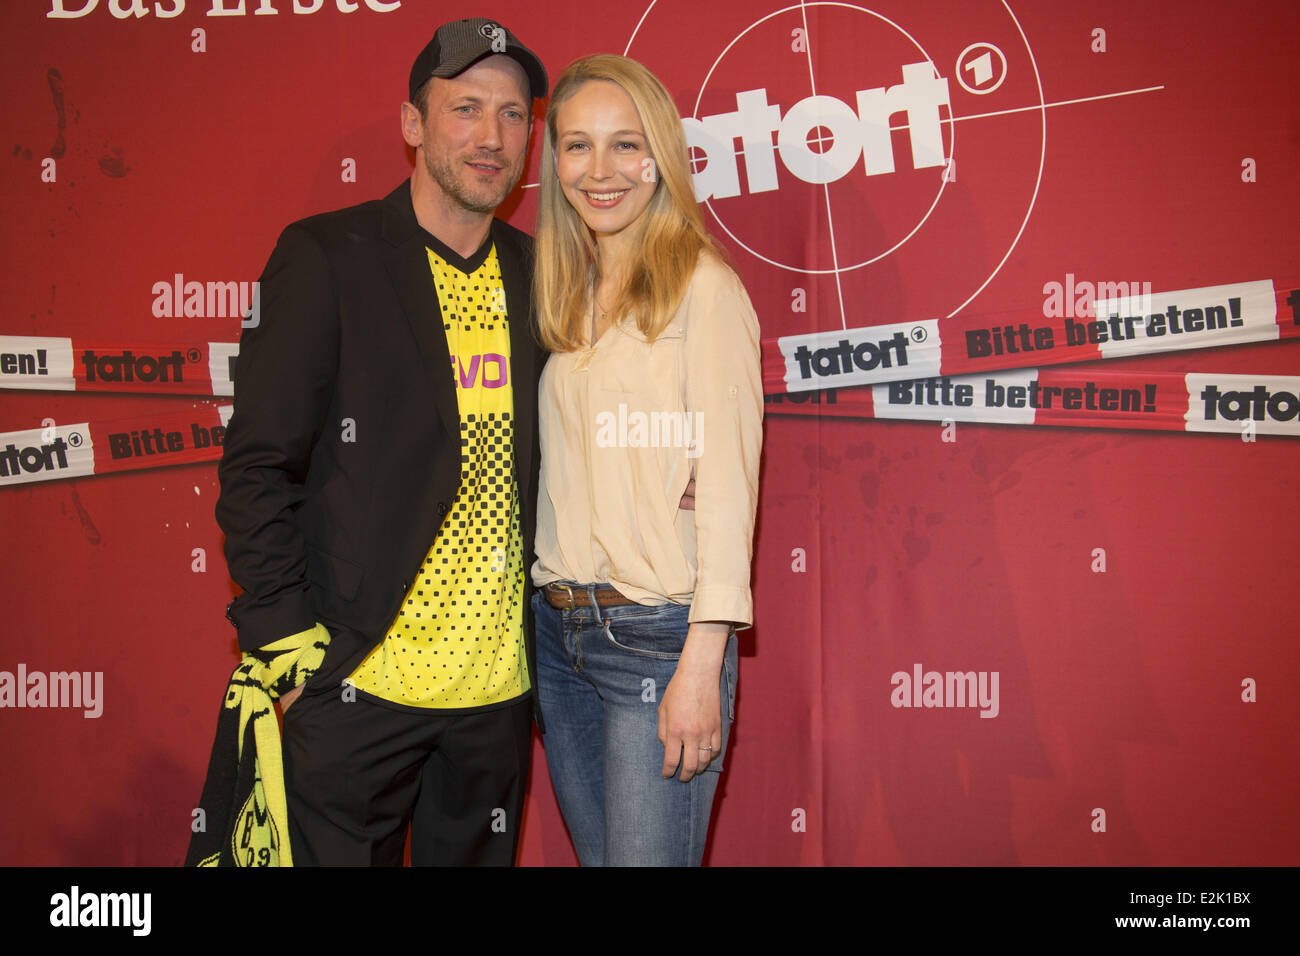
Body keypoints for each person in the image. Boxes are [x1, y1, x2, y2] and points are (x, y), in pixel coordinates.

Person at [209, 17, 550, 866]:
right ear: (412, 124)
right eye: (465, 107)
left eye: (513, 116)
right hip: (358, 688)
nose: (491, 137)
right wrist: (292, 647)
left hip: (495, 702)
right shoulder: (328, 257)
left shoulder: (542, 274)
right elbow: (258, 464)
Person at [530, 54, 764, 866]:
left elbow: (731, 489)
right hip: (556, 640)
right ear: (553, 160)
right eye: (577, 146)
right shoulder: (563, 291)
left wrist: (705, 659)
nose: (601, 172)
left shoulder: (706, 290)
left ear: (660, 154)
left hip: (658, 641)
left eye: (626, 145)